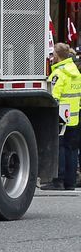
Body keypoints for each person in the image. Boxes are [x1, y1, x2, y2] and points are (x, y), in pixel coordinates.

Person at [43, 42, 81, 191]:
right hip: (74, 114)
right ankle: (70, 182)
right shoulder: (76, 73)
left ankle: (58, 180)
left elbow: (53, 97)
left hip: (61, 114)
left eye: (53, 55)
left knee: (59, 147)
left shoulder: (59, 74)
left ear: (57, 56)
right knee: (71, 148)